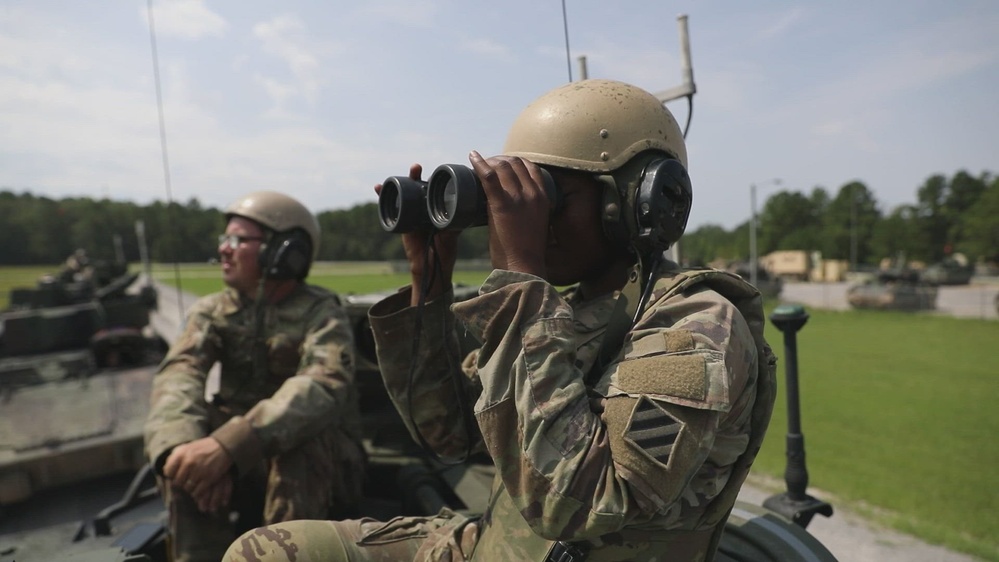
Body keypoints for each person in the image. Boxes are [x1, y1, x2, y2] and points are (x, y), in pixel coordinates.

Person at [225, 79, 777, 562]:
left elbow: (580, 505)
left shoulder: (695, 325)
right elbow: (453, 432)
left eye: (547, 195)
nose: (519, 215)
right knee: (261, 552)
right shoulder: (580, 310)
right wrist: (430, 282)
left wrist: (517, 280)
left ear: (635, 202)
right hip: (494, 546)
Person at [144, 191, 366, 562]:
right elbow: (179, 376)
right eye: (224, 239)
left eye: (238, 240)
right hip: (241, 463)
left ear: (284, 251)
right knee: (184, 454)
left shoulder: (321, 312)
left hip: (323, 467)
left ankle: (286, 552)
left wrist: (230, 446)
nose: (224, 250)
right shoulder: (213, 310)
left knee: (300, 438)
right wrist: (183, 448)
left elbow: (323, 384)